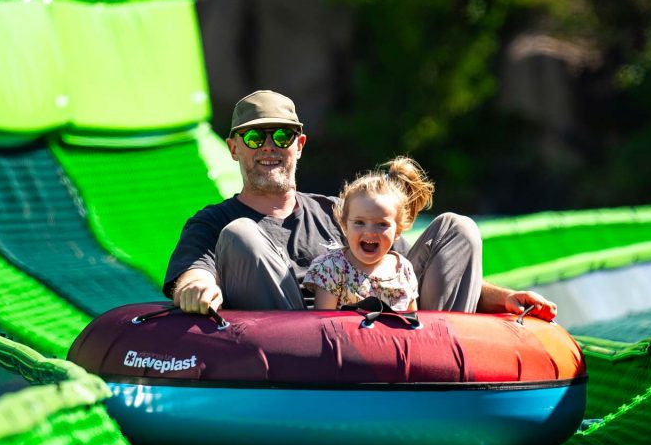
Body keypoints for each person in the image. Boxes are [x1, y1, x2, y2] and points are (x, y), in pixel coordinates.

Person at [164, 89, 556, 320]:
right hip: (294, 353)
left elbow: (406, 272)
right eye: (254, 139)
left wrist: (497, 297)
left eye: (281, 136)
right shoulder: (213, 223)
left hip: (380, 342)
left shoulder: (341, 212)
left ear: (298, 146)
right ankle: (300, 376)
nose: (269, 147)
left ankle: (445, 367)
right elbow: (192, 274)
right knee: (242, 235)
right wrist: (197, 287)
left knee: (458, 228)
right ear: (233, 148)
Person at [303, 157, 432, 311]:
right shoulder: (332, 268)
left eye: (382, 224)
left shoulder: (403, 269)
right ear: (344, 225)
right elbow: (324, 323)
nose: (370, 232)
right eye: (359, 222)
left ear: (398, 231)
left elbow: (413, 321)